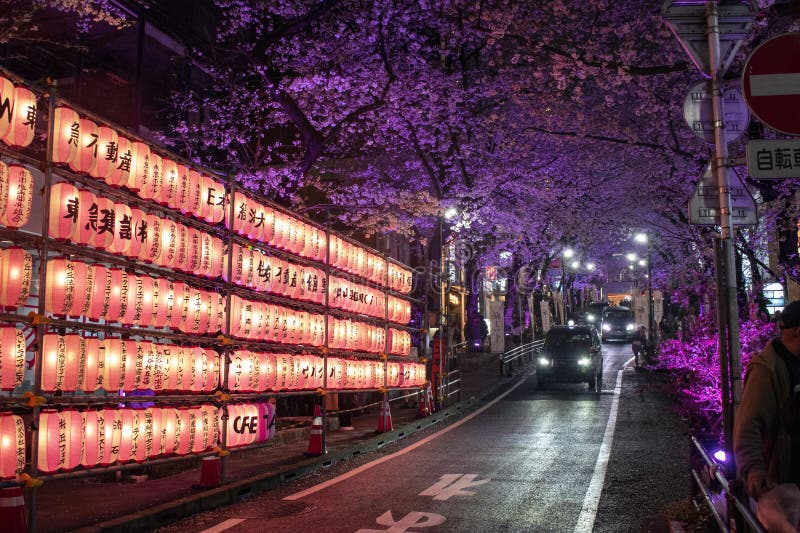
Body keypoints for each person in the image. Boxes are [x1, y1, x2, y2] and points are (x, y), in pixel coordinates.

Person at [734, 300, 800, 501]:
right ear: (798, 331)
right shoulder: (766, 370)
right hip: (785, 479)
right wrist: (754, 470)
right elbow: (747, 425)